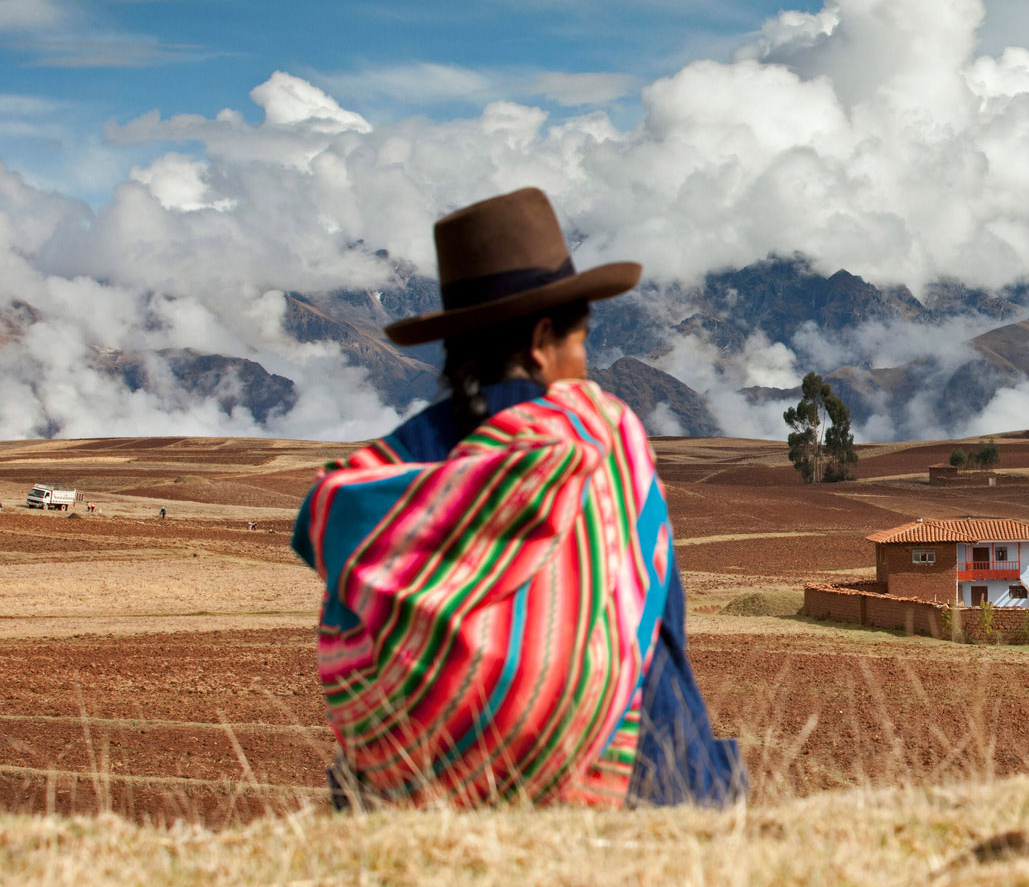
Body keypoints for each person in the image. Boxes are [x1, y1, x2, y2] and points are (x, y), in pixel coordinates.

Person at [291, 188, 743, 810]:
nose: (584, 368)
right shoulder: (602, 439)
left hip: (414, 793)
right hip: (633, 788)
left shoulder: (390, 470)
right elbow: (661, 636)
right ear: (540, 341)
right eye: (579, 345)